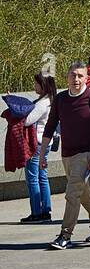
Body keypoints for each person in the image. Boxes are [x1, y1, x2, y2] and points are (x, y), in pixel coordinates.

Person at [40, 61, 90, 250]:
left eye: (80, 76)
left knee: (72, 194)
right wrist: (42, 154)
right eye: (73, 75)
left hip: (87, 154)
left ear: (87, 78)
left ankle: (65, 235)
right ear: (67, 77)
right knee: (82, 192)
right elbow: (50, 125)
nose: (76, 79)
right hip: (67, 155)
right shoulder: (61, 99)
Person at [4, 73, 56, 222]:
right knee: (42, 177)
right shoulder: (50, 100)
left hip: (37, 145)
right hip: (45, 143)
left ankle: (36, 213)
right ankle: (45, 211)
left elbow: (26, 120)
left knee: (32, 179)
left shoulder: (42, 103)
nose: (34, 86)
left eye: (36, 83)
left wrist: (12, 105)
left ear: (43, 85)